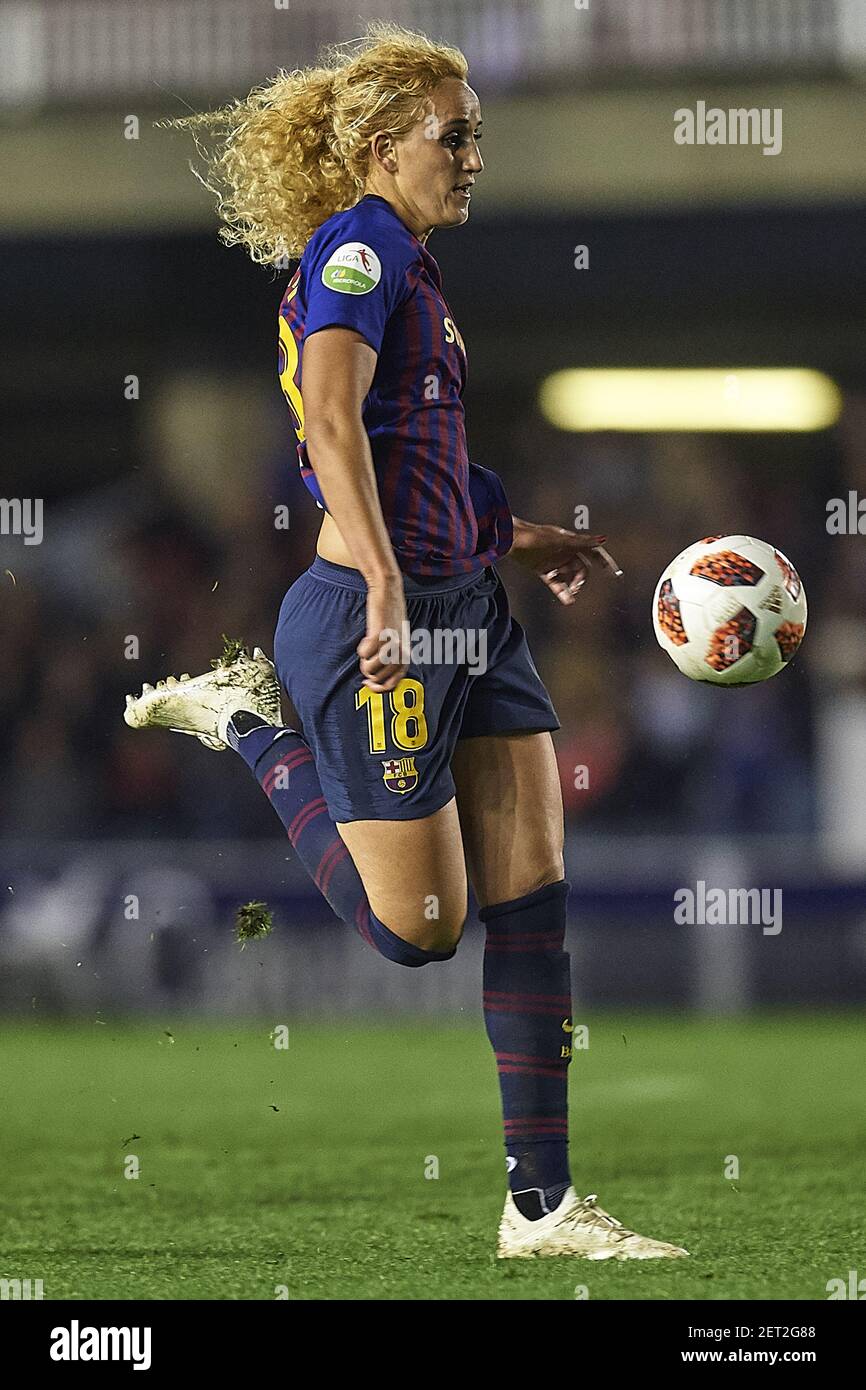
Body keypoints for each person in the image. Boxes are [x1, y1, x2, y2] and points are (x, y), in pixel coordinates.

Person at [127, 22, 686, 1261]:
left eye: (476, 133)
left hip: (468, 611)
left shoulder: (416, 272)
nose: (472, 154)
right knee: (417, 931)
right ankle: (245, 720)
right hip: (370, 622)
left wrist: (522, 532)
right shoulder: (354, 256)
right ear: (385, 147)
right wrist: (382, 582)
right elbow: (329, 426)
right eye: (455, 134)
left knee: (533, 891)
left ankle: (538, 1208)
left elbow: (418, 458)